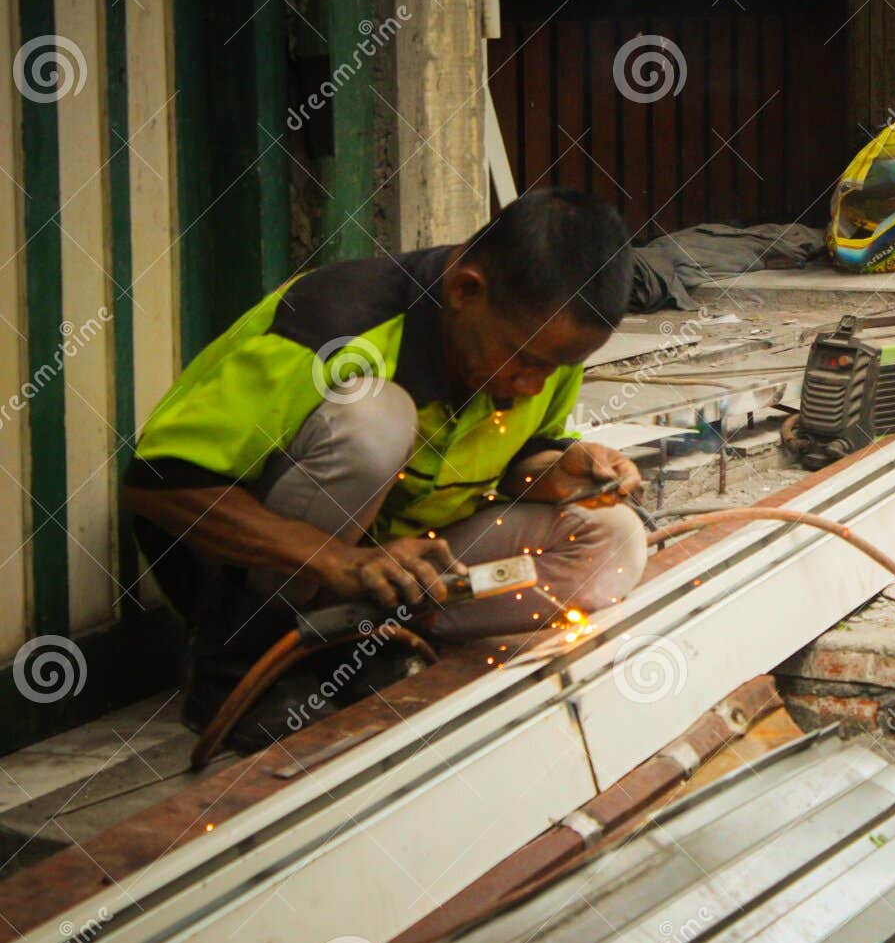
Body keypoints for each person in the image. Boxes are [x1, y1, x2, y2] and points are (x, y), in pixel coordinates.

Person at [123, 188, 646, 748]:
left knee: (614, 539)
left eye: (556, 368)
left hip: (404, 559)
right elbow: (160, 485)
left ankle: (369, 637)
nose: (531, 385)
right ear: (466, 290)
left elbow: (515, 459)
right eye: (523, 360)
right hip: (261, 568)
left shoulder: (540, 346)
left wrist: (556, 470)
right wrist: (339, 561)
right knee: (375, 422)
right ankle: (244, 668)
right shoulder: (336, 326)